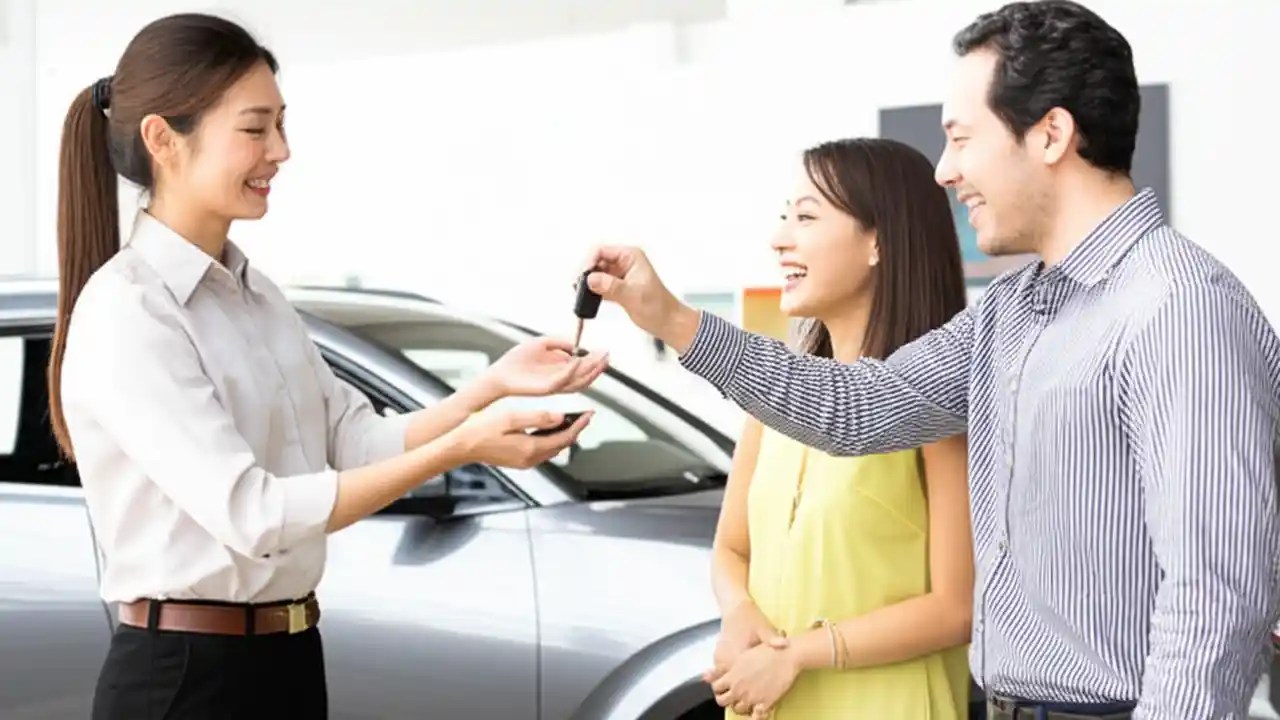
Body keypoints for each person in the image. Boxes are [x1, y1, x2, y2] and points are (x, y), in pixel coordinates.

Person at [580, 2, 1280, 719]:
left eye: (961, 138)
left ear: (1051, 134)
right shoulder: (1011, 311)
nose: (944, 171)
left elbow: (1215, 600)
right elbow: (856, 408)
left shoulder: (1179, 309)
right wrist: (672, 319)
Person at [49, 13, 607, 720]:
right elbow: (253, 514)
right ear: (164, 139)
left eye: (282, 125)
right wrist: (465, 446)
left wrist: (489, 385)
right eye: (255, 129)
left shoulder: (257, 296)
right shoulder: (131, 311)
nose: (280, 151)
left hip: (287, 659)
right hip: (185, 681)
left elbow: (353, 441)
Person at [701, 138, 974, 719]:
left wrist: (798, 654)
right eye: (784, 217)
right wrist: (738, 613)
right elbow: (731, 548)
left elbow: (957, 606)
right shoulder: (776, 398)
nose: (780, 239)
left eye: (805, 217)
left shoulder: (938, 409)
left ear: (879, 241)